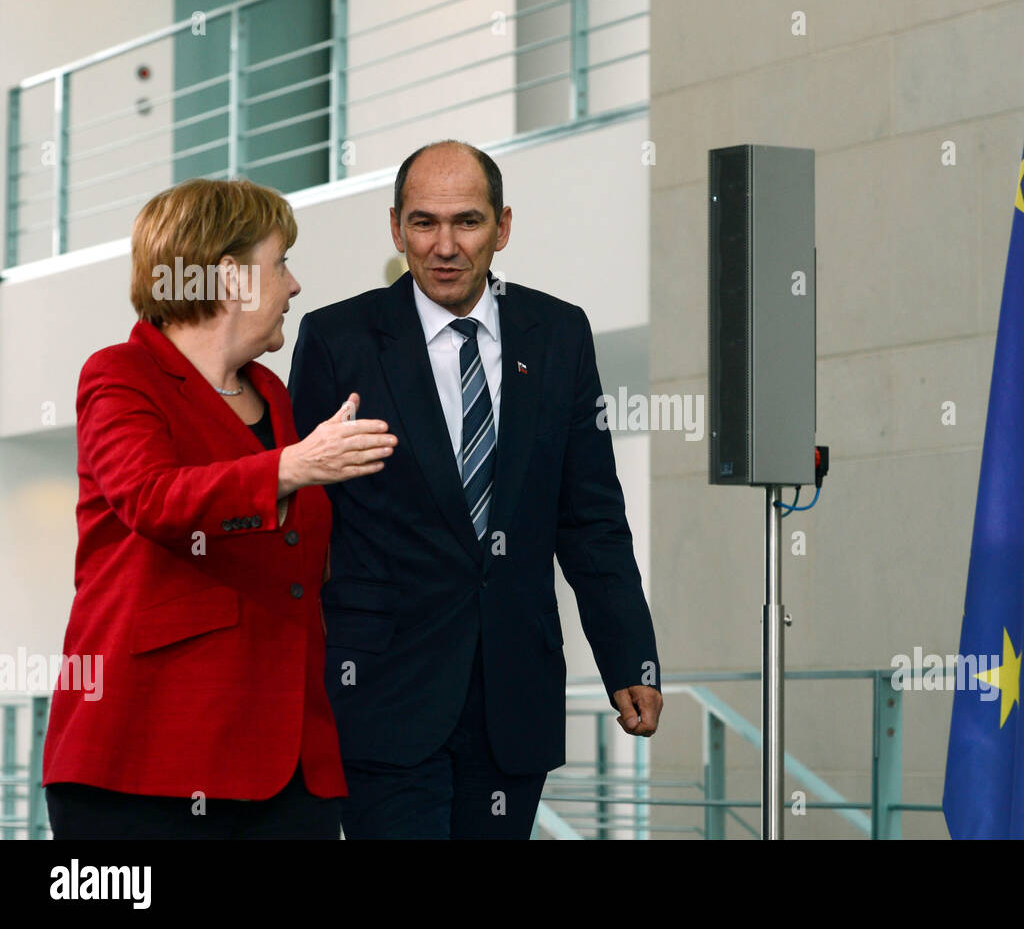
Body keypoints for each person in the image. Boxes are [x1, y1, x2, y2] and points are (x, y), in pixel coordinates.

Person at [288, 140, 663, 839]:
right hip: (381, 692)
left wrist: (628, 655)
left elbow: (591, 519)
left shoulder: (557, 333)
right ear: (396, 228)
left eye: (467, 222)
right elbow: (305, 523)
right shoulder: (338, 339)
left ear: (503, 227)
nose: (445, 246)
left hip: (512, 694)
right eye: (424, 223)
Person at [41, 178, 397, 839]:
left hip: (292, 767)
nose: (293, 286)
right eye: (281, 263)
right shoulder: (120, 375)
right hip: (147, 764)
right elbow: (152, 498)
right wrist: (293, 467)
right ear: (231, 278)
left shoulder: (275, 396)